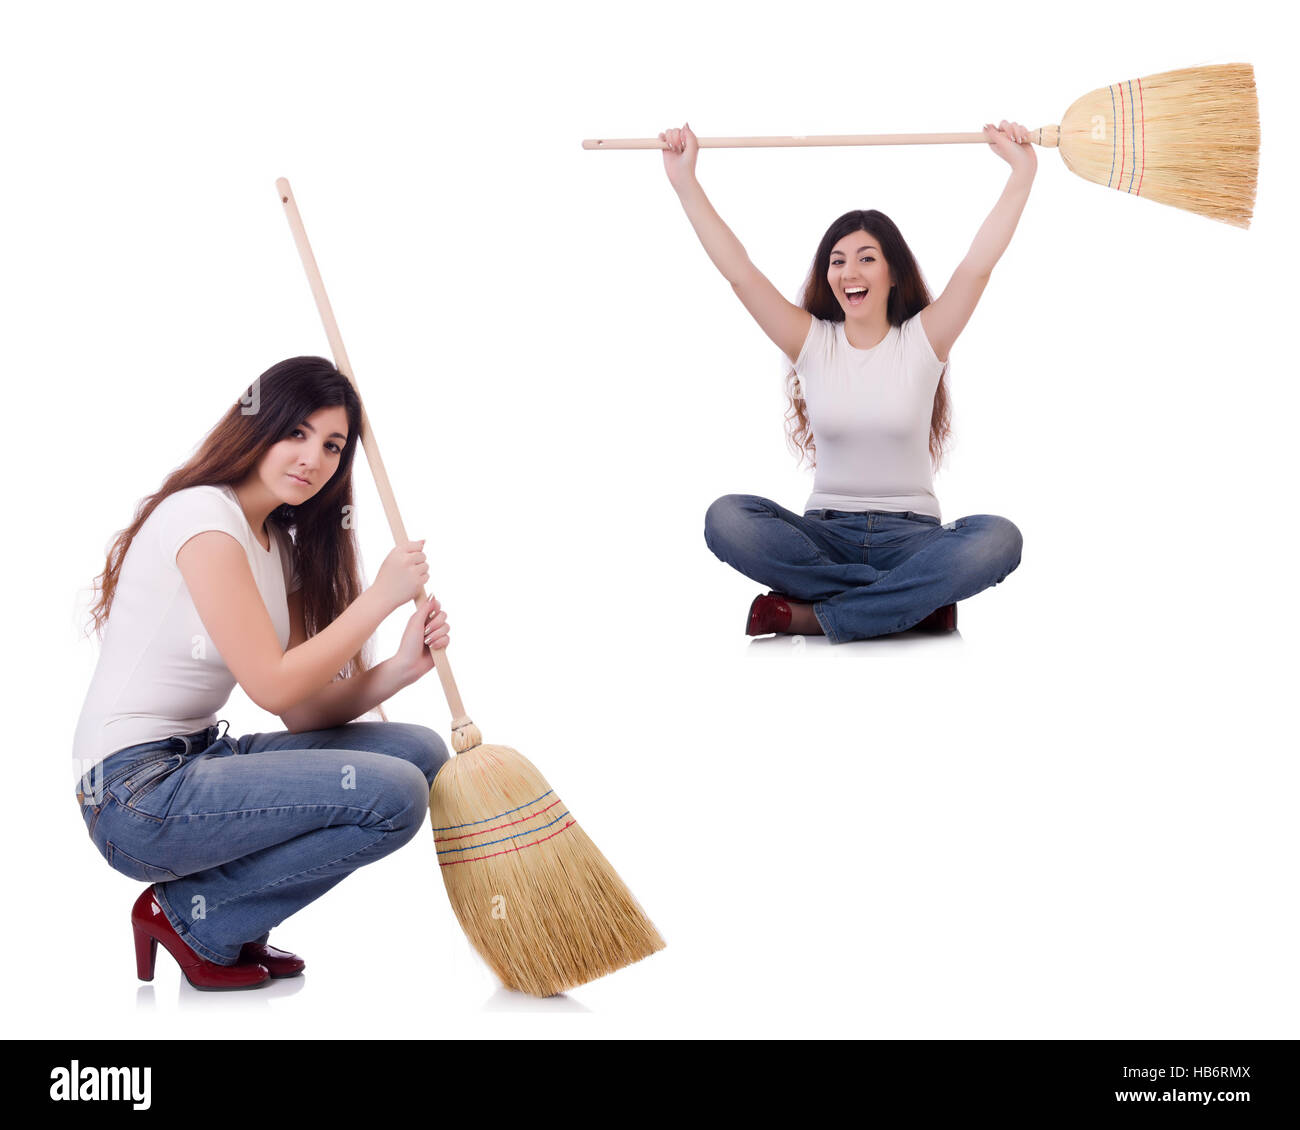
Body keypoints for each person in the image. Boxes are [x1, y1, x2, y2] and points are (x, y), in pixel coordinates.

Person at [72, 356, 452, 990]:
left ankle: (224, 911)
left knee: (420, 753)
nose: (313, 459)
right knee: (394, 795)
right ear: (259, 427)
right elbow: (270, 684)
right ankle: (200, 917)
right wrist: (380, 598)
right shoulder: (204, 519)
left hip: (198, 764)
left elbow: (299, 709)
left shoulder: (281, 542)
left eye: (333, 446)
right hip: (132, 794)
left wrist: (398, 670)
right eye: (296, 433)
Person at [660, 120, 1030, 643]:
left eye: (865, 259)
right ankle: (909, 604)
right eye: (837, 261)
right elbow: (740, 272)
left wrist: (1021, 174)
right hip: (824, 535)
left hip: (913, 537)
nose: (848, 271)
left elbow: (976, 268)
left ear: (892, 273)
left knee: (998, 539)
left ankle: (818, 615)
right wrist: (685, 182)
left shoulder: (923, 340)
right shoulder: (812, 341)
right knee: (727, 518)